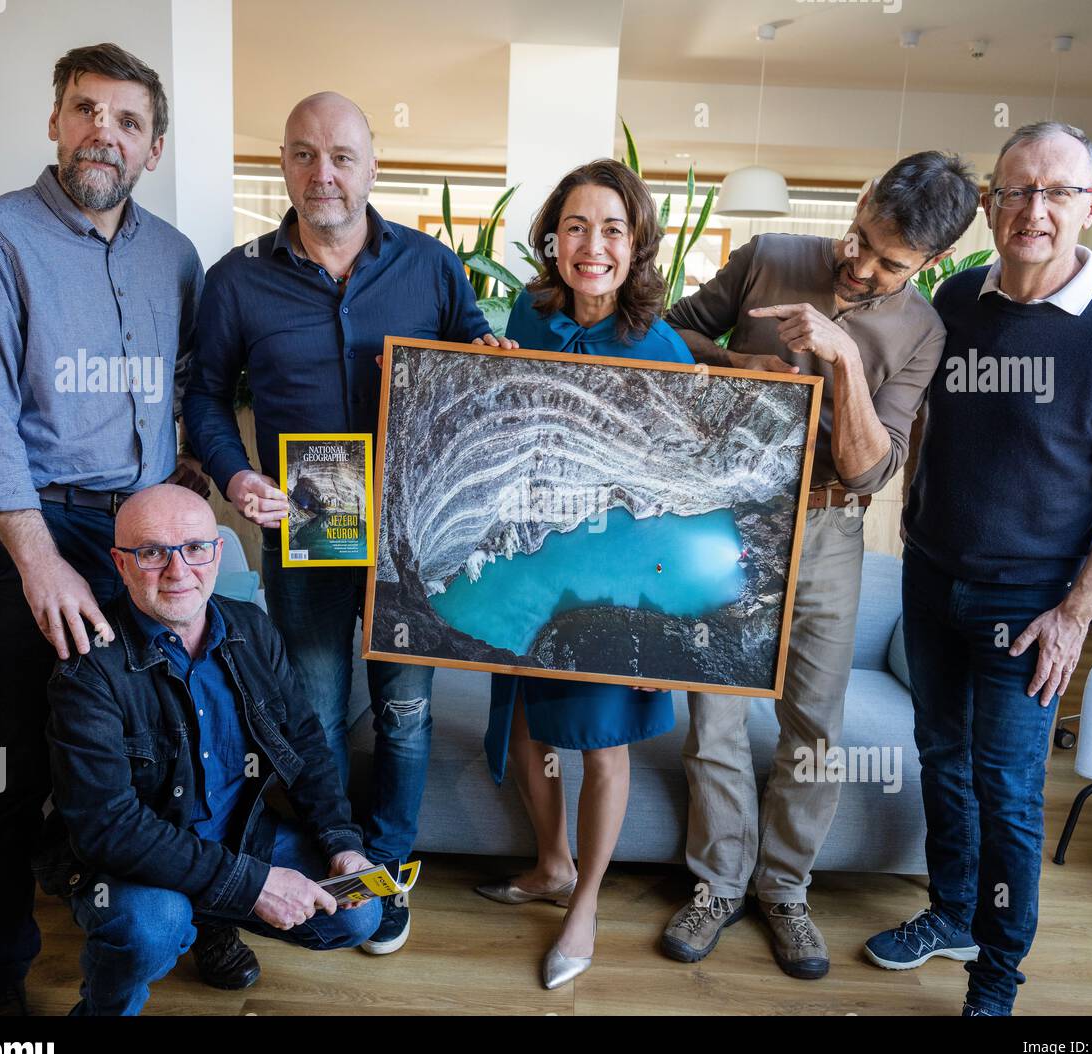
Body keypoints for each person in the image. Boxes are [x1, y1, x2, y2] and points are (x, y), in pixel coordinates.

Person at [184, 91, 512, 958]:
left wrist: (488, 367)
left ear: (372, 168)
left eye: (339, 155)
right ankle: (340, 856)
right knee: (318, 714)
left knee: (405, 711)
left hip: (412, 536)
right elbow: (206, 396)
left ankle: (391, 868)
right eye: (301, 154)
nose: (321, 172)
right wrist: (235, 471)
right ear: (282, 166)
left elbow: (473, 351)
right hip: (307, 531)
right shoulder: (236, 277)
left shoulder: (433, 268)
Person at [864, 122, 1092, 1016]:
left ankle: (996, 975)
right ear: (992, 202)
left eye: (1056, 192)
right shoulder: (955, 299)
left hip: (1032, 604)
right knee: (940, 757)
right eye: (1016, 191)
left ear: (1091, 206)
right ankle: (951, 910)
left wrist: (1077, 612)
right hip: (930, 576)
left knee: (1006, 792)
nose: (1033, 210)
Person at [659, 152, 981, 979]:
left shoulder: (924, 332)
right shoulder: (768, 253)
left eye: (891, 262)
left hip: (832, 530)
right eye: (863, 239)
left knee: (814, 726)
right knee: (718, 714)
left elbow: (873, 469)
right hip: (724, 521)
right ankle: (717, 883)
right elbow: (666, 334)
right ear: (864, 196)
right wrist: (739, 363)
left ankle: (785, 890)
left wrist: (841, 359)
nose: (862, 265)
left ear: (930, 265)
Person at [0, 43, 206, 1017]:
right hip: (32, 525)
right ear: (55, 121)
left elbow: (191, 397)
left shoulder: (175, 257)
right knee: (4, 761)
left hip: (137, 535)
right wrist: (39, 559)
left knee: (140, 742)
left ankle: (161, 915)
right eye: (87, 109)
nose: (106, 131)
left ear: (154, 146)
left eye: (128, 120)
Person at [472, 159, 692, 989]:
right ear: (551, 239)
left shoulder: (659, 346)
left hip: (614, 579)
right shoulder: (525, 318)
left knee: (602, 742)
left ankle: (587, 900)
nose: (590, 244)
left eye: (610, 228)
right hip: (528, 571)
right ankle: (552, 861)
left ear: (634, 245)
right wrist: (482, 374)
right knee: (525, 717)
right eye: (574, 226)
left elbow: (675, 480)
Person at [37, 484, 379, 1015]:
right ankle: (105, 1005)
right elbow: (107, 826)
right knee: (152, 926)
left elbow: (307, 744)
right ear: (120, 564)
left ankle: (211, 922)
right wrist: (251, 885)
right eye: (152, 553)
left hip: (239, 836)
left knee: (357, 914)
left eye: (196, 548)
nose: (178, 572)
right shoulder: (89, 667)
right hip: (134, 865)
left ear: (217, 553)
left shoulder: (251, 628)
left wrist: (340, 842)